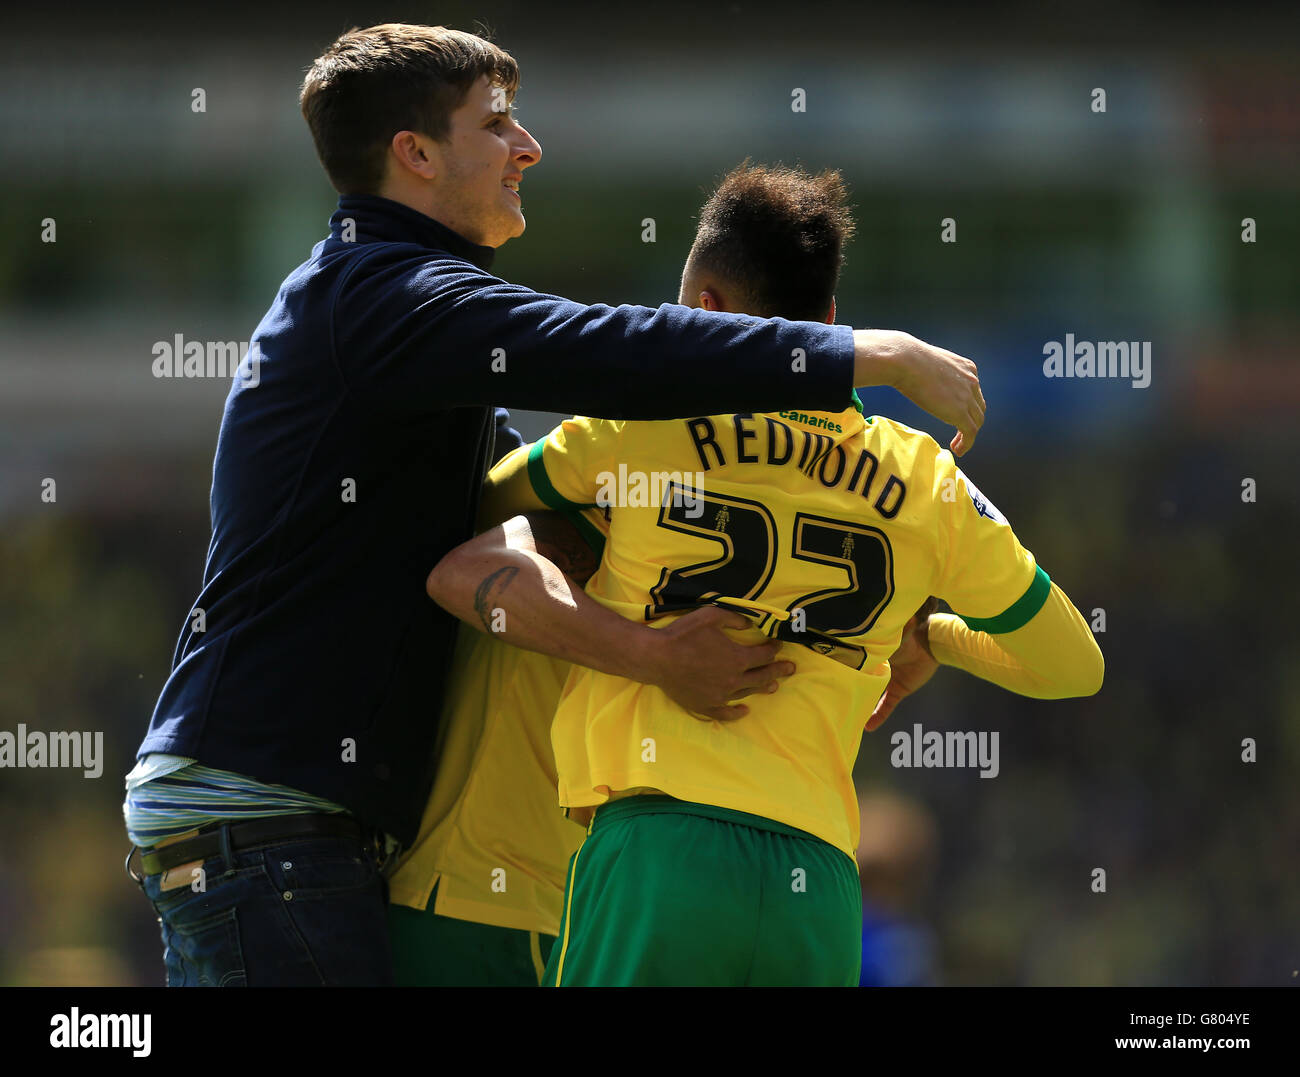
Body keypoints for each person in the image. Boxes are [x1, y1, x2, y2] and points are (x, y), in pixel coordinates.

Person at [122, 24, 986, 987]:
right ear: (414, 154)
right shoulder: (384, 294)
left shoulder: (398, 317)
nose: (527, 147)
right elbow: (604, 349)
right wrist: (860, 356)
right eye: (495, 125)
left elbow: (533, 519)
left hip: (276, 817)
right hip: (268, 819)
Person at [441, 161, 1104, 985]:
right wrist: (933, 633)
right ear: (827, 321)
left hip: (659, 848)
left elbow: (470, 508)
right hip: (819, 880)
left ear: (703, 312)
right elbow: (1075, 665)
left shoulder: (639, 425)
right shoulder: (928, 480)